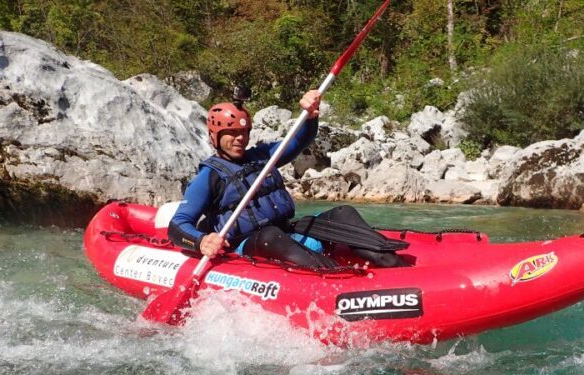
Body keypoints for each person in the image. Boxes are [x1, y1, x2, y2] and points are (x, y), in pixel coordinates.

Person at [168, 89, 406, 269]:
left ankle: (391, 262)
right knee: (270, 236)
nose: (239, 139)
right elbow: (178, 225)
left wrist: (310, 116)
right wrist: (201, 241)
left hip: (288, 234)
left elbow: (298, 141)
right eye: (231, 133)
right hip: (249, 245)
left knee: (343, 212)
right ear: (214, 137)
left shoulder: (262, 157)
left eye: (243, 132)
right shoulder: (208, 176)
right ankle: (334, 278)